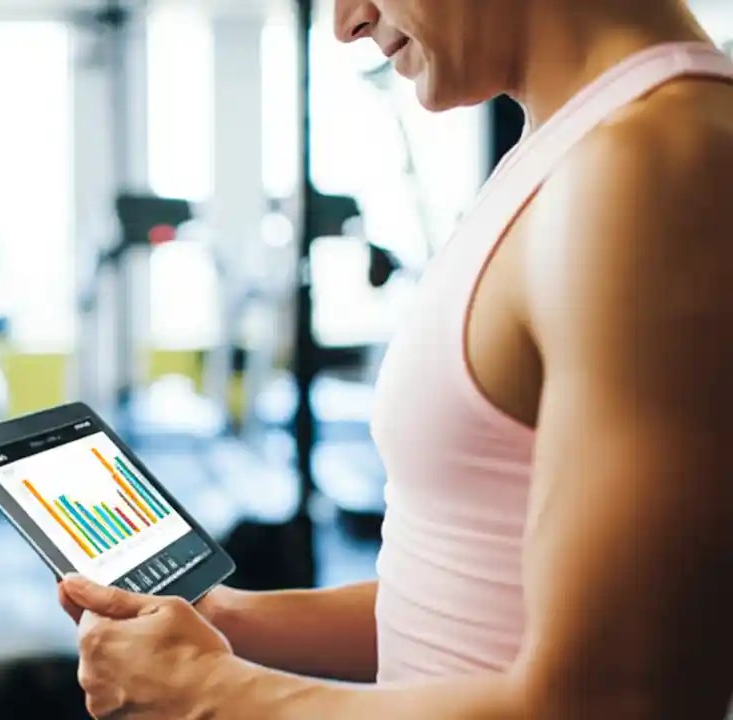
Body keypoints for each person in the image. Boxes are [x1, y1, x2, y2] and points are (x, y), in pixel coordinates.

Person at [57, 0, 733, 717]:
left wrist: (209, 693)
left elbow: (616, 700)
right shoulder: (573, 149)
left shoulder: (658, 161)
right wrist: (229, 619)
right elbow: (473, 597)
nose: (347, 21)